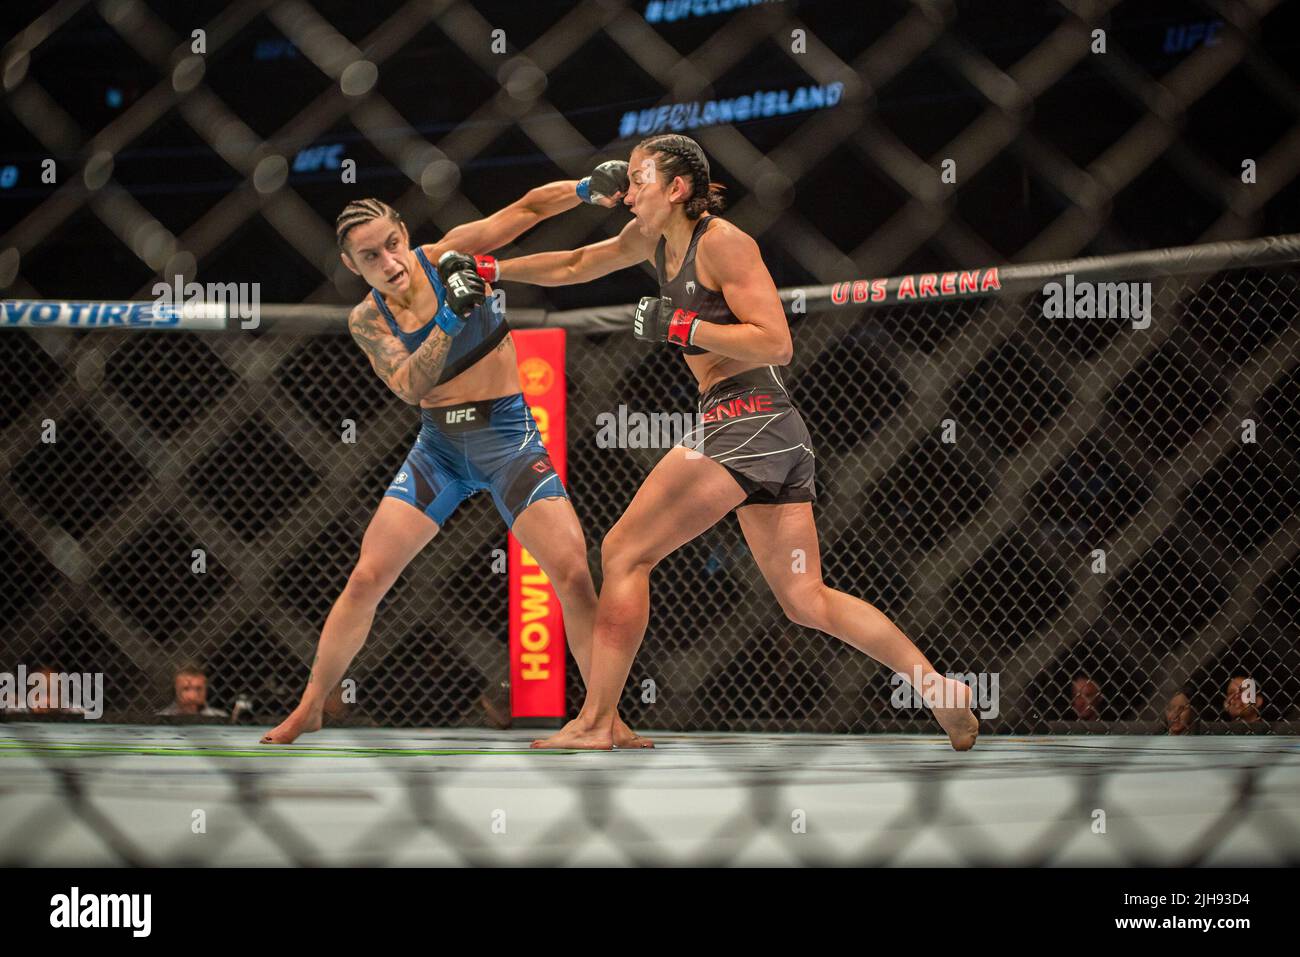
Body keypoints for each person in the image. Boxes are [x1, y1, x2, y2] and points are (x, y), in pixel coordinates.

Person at [494, 134, 978, 750]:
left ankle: (596, 722)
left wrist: (681, 324)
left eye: (641, 178)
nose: (628, 188)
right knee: (806, 599)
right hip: (765, 430)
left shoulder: (723, 242)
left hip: (746, 418)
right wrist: (493, 269)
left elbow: (777, 342)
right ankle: (939, 689)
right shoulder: (650, 240)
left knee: (622, 552)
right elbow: (573, 265)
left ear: (678, 188)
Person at [261, 170, 651, 748]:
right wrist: (449, 318)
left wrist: (586, 189)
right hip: (439, 449)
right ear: (352, 265)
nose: (389, 262)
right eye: (370, 257)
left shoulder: (449, 254)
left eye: (392, 244)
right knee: (367, 576)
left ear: (403, 233)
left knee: (572, 572)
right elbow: (410, 385)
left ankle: (603, 717)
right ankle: (312, 706)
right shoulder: (367, 319)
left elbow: (523, 209)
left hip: (509, 439)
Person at [158, 664, 227, 718]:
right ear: (176, 690)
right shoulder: (161, 718)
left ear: (206, 690)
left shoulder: (220, 717)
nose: (192, 696)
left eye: (198, 689)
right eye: (186, 689)